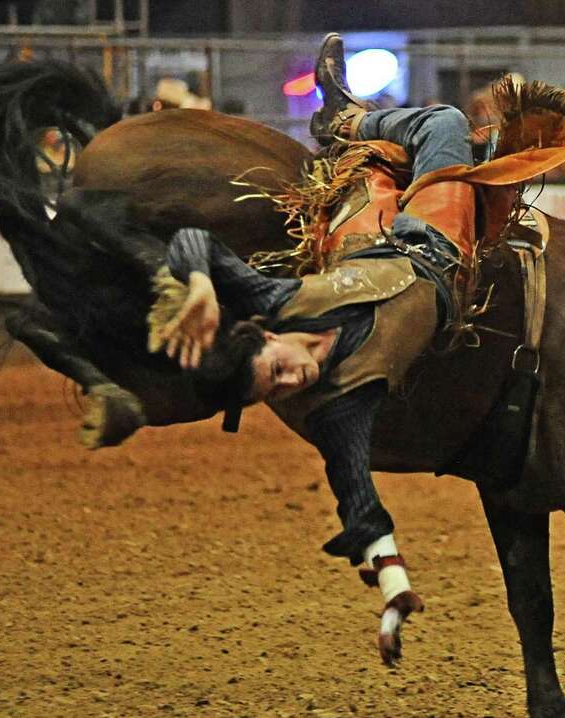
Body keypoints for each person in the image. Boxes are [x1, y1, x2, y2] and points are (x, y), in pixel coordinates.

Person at [153, 34, 481, 660]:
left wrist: (197, 281)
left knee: (411, 146)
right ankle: (355, 122)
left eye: (276, 370)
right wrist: (393, 590)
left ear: (269, 338)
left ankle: (349, 121)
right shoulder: (341, 409)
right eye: (275, 390)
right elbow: (358, 499)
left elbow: (195, 240)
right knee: (447, 122)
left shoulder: (277, 301)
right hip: (438, 249)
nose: (292, 382)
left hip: (377, 238)